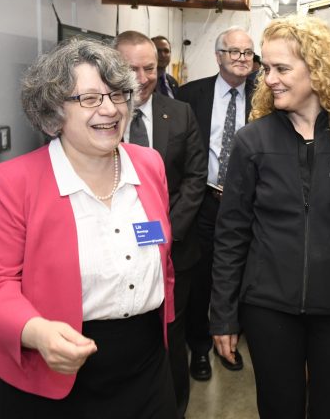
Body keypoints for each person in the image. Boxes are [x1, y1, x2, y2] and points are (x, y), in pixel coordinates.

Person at [0, 38, 176, 418]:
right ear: (53, 113)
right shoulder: (15, 182)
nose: (111, 109)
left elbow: (162, 256)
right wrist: (36, 332)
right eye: (90, 99)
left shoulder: (149, 165)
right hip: (55, 370)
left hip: (147, 363)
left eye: (117, 94)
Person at [210, 15, 330, 419]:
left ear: (318, 71)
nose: (269, 79)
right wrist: (224, 314)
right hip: (268, 310)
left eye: (281, 68)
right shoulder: (252, 141)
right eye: (267, 68)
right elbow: (231, 235)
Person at [116, 30, 207, 419]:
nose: (141, 77)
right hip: (113, 252)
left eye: (149, 68)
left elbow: (194, 178)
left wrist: (166, 233)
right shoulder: (99, 117)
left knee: (171, 336)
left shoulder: (180, 113)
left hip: (173, 250)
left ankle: (174, 409)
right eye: (130, 68)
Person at [176, 26, 256, 380]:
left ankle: (233, 338)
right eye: (235, 52)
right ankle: (200, 347)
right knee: (202, 278)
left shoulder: (269, 96)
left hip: (251, 204)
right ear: (218, 55)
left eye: (248, 53)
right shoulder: (189, 96)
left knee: (243, 275)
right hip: (205, 201)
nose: (242, 59)